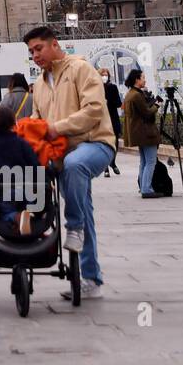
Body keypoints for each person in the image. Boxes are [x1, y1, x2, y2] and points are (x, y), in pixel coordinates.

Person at [25, 25, 114, 300]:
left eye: (38, 48)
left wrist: (57, 128)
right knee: (83, 207)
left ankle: (72, 227)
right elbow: (38, 123)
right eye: (30, 52)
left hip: (95, 144)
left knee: (75, 167)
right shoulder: (39, 84)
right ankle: (91, 280)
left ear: (54, 44)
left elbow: (94, 111)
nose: (35, 55)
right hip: (62, 154)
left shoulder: (80, 69)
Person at [0, 105, 41, 236]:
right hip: (26, 189)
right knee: (30, 204)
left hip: (3, 191)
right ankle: (29, 217)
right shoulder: (22, 143)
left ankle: (16, 218)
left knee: (5, 212)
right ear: (13, 123)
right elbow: (35, 165)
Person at [122, 68, 162, 198]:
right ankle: (146, 189)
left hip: (138, 132)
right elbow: (146, 113)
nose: (144, 80)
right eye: (143, 78)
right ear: (137, 80)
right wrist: (156, 105)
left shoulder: (130, 94)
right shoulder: (136, 95)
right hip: (146, 133)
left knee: (144, 162)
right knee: (150, 161)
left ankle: (144, 187)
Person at [98, 69, 123, 177]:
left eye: (106, 75)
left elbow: (118, 103)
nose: (104, 77)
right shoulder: (95, 88)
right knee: (103, 143)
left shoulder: (113, 87)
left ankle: (112, 162)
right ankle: (105, 167)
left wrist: (110, 101)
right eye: (102, 75)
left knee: (115, 142)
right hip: (101, 119)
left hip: (113, 118)